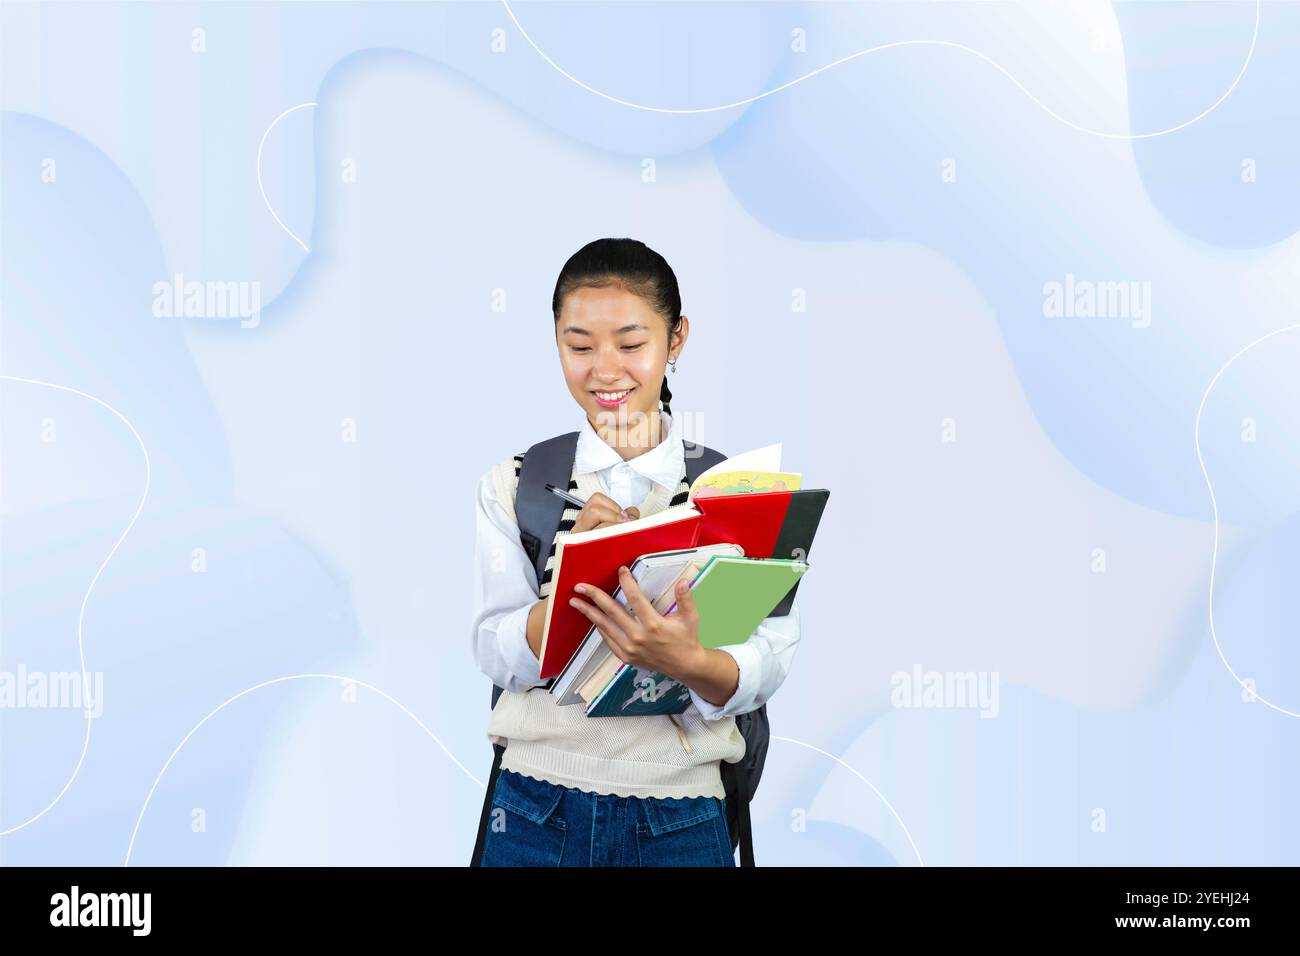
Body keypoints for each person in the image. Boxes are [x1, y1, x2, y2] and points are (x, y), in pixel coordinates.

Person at [470, 237, 802, 866]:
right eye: (579, 346)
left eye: (630, 344)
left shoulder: (735, 495)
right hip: (535, 808)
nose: (605, 369)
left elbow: (768, 658)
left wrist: (689, 660)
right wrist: (573, 582)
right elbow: (494, 649)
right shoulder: (516, 486)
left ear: (675, 340)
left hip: (681, 817)